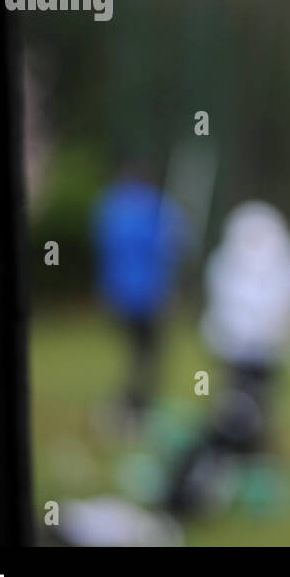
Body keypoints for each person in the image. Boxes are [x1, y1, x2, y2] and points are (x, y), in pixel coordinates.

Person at [166, 201, 290, 515]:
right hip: (233, 349)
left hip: (266, 352)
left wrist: (282, 328)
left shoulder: (286, 260)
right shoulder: (227, 260)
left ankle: (254, 461)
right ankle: (232, 460)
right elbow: (228, 304)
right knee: (234, 405)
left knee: (260, 405)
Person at [92, 167, 188, 425]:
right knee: (148, 355)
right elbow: (174, 244)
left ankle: (131, 405)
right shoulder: (157, 207)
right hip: (149, 295)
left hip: (118, 294)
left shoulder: (111, 206)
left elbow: (102, 244)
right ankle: (134, 407)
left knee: (136, 352)